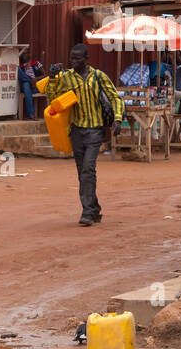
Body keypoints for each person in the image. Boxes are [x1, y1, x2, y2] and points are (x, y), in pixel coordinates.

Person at [45, 44, 124, 227]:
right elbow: (53, 99)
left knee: (88, 168)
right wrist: (52, 78)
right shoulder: (67, 78)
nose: (73, 62)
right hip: (76, 131)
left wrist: (118, 119)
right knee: (83, 172)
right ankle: (94, 208)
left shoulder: (98, 76)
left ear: (86, 59)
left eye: (77, 59)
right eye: (71, 58)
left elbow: (115, 97)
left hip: (95, 130)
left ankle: (87, 212)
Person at [17, 49, 43, 119]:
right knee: (25, 83)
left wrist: (35, 79)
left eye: (25, 53)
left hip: (35, 87)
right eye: (23, 54)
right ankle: (31, 114)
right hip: (27, 87)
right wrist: (31, 81)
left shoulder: (36, 63)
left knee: (26, 86)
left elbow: (45, 74)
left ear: (29, 54)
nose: (24, 56)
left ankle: (31, 114)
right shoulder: (20, 65)